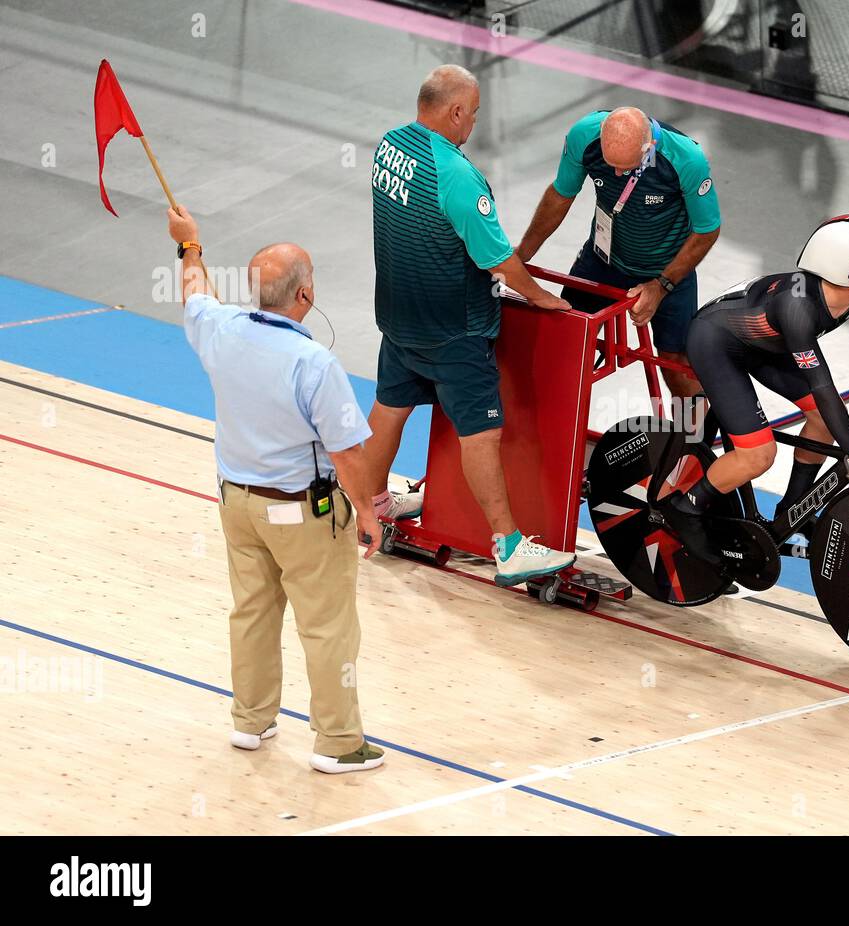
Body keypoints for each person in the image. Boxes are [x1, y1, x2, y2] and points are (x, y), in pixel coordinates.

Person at [167, 204, 385, 774]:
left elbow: (195, 294)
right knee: (328, 624)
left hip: (236, 505)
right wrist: (366, 509)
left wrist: (189, 245)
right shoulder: (314, 363)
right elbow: (347, 451)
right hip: (302, 515)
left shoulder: (221, 331)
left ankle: (250, 720)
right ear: (305, 295)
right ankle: (339, 744)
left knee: (253, 612)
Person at [367, 64, 575, 584]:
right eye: (475, 113)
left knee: (389, 411)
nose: (475, 123)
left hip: (397, 318)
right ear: (455, 111)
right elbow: (500, 263)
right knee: (482, 434)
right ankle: (509, 547)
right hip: (453, 332)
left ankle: (370, 507)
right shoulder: (459, 178)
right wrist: (544, 298)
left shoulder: (388, 146)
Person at [667, 214, 849, 561]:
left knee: (824, 420)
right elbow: (821, 383)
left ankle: (792, 512)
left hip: (767, 344)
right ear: (840, 272)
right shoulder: (797, 308)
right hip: (716, 344)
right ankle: (686, 509)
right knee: (758, 454)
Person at [517, 107, 721, 404]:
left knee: (675, 365)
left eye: (625, 168)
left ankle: (694, 442)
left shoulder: (686, 159)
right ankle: (556, 433)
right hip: (603, 260)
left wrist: (661, 285)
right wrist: (522, 255)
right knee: (566, 342)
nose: (615, 174)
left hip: (665, 269)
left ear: (648, 148)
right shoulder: (584, 135)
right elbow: (561, 194)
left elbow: (707, 230)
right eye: (610, 164)